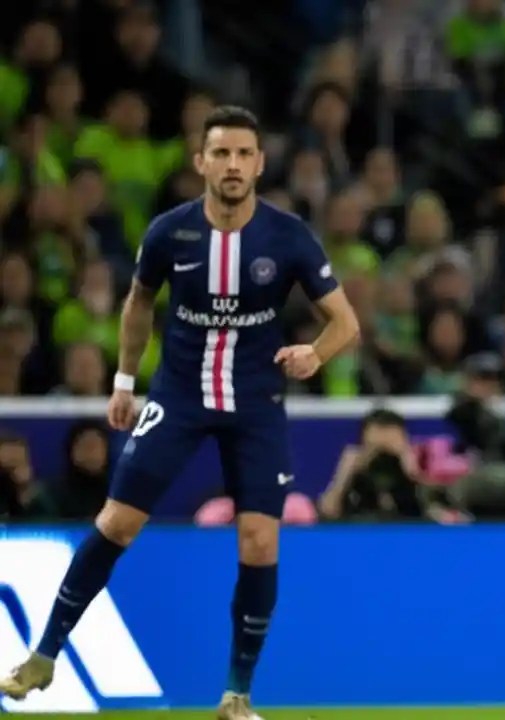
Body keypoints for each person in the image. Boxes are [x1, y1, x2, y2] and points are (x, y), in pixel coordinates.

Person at [0, 106, 360, 720]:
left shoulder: (288, 237)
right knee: (117, 523)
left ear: (260, 164)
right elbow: (138, 305)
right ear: (200, 162)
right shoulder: (171, 232)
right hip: (179, 395)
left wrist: (315, 354)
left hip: (255, 401)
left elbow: (345, 324)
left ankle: (236, 696)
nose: (233, 165)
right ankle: (43, 655)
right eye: (220, 154)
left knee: (259, 541)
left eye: (244, 154)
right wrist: (122, 380)